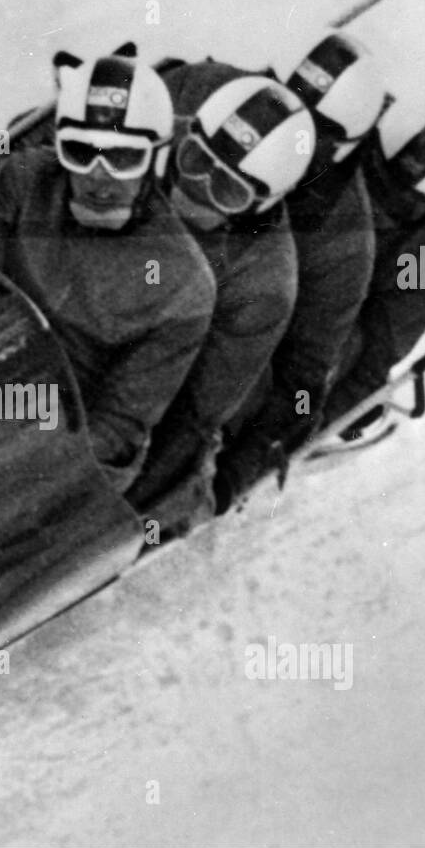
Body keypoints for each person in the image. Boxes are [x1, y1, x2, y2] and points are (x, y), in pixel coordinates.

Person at [0, 49, 216, 493]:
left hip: (54, 424)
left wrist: (12, 458)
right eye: (81, 152)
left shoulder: (183, 286)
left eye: (123, 158)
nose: (99, 177)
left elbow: (118, 424)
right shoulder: (25, 179)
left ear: (154, 158)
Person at [127, 66, 313, 524]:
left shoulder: (264, 285)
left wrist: (116, 511)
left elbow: (192, 413)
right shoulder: (142, 138)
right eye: (195, 161)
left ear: (258, 206)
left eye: (227, 190)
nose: (196, 189)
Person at [214, 31, 390, 512]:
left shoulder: (344, 245)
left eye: (315, 129)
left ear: (340, 147)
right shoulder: (223, 97)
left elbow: (302, 379)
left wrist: (242, 468)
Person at [321, 91, 425, 438]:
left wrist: (315, 418)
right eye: (376, 176)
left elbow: (375, 353)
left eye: (399, 201)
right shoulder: (363, 118)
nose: (376, 202)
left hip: (335, 316)